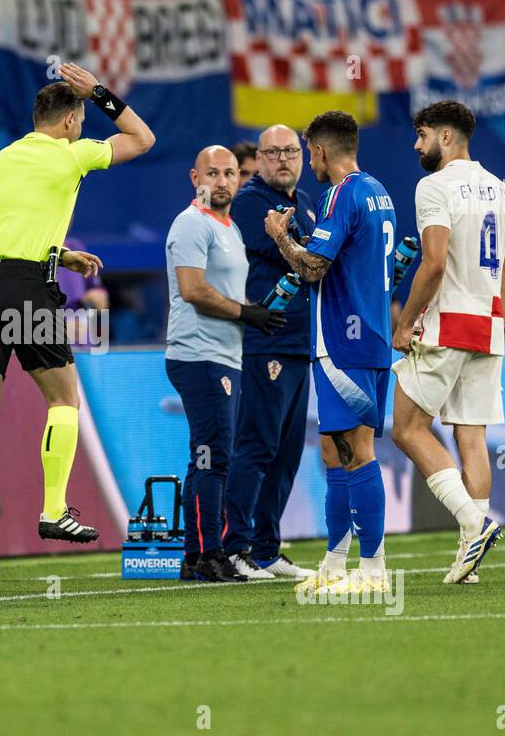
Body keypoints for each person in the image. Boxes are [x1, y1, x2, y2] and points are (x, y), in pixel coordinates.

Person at [0, 63, 155, 576]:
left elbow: (18, 227)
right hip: (24, 293)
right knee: (64, 398)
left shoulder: (4, 157)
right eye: (82, 119)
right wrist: (102, 93)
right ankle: (54, 509)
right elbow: (142, 138)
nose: (84, 128)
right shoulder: (72, 155)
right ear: (67, 121)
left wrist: (61, 255)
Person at [264, 111, 395, 595]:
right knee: (333, 452)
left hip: (345, 342)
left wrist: (281, 237)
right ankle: (336, 562)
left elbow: (314, 268)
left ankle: (374, 570)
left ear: (319, 152)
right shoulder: (378, 190)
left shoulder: (340, 194)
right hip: (369, 337)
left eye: (307, 152)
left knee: (356, 452)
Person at [391, 100, 505, 585]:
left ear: (446, 137)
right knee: (472, 436)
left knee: (406, 429)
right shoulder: (503, 191)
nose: (417, 144)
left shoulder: (434, 186)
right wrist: (495, 322)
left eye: (422, 135)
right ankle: (469, 563)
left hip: (447, 322)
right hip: (488, 324)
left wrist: (407, 323)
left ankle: (473, 523)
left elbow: (435, 262)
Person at [166, 146, 284, 583]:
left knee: (211, 457)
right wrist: (245, 313)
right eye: (212, 173)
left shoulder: (230, 227)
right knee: (209, 457)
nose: (221, 182)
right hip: (197, 353)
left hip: (222, 354)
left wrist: (259, 311)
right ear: (195, 176)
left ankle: (198, 555)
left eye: (229, 174)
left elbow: (221, 289)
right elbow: (193, 289)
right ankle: (206, 554)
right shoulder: (191, 223)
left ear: (240, 178)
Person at [223, 124, 317, 581]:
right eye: (273, 152)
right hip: (266, 342)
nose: (283, 159)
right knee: (256, 445)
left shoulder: (305, 207)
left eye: (291, 151)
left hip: (299, 342)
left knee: (286, 453)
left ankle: (265, 548)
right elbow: (301, 259)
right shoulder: (248, 204)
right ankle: (235, 546)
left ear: (301, 157)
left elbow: (315, 259)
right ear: (258, 160)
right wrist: (309, 246)